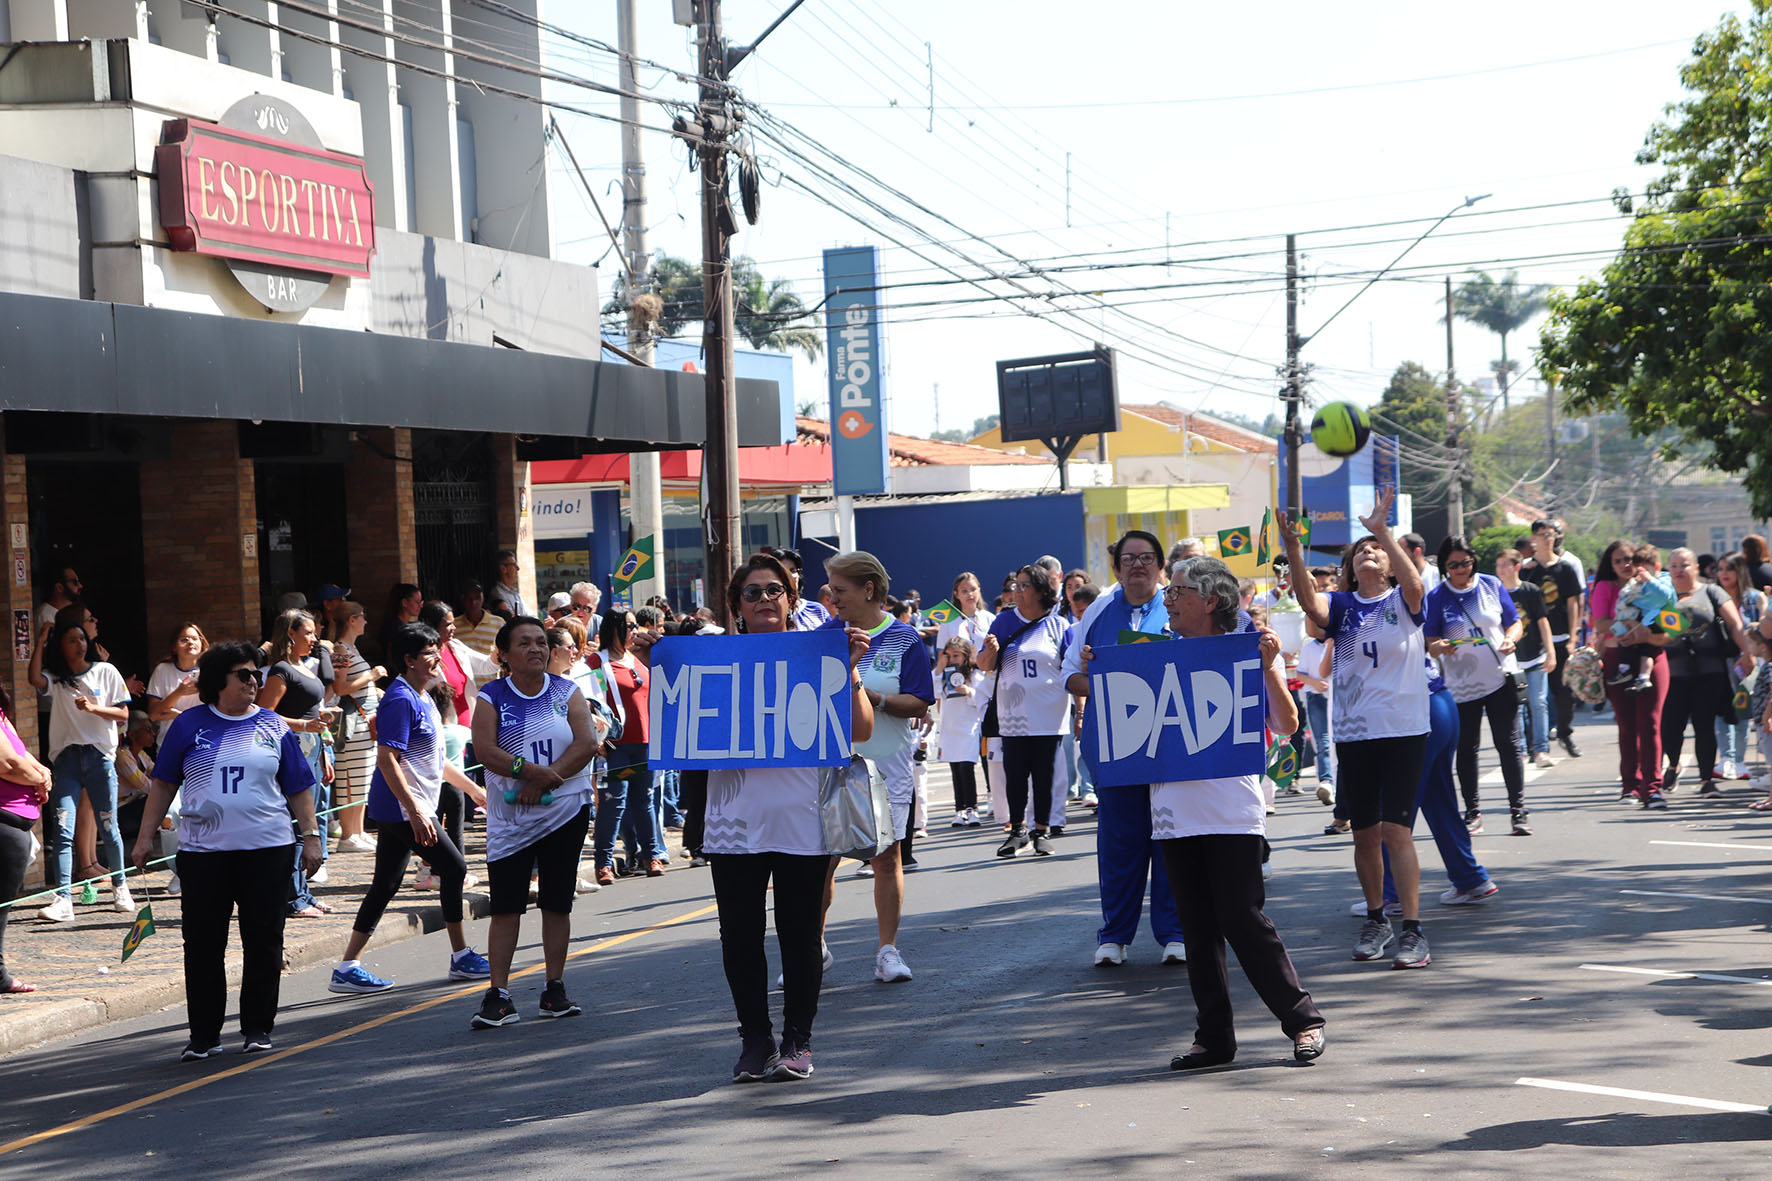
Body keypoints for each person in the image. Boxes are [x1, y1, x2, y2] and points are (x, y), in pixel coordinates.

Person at [1153, 556, 1325, 1069]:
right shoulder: (1156, 655)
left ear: (1209, 600)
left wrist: (1269, 666)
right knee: (1197, 927)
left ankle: (1303, 1019)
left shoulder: (1249, 649)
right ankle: (1214, 1038)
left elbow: (1288, 723)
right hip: (1173, 810)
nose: (1169, 601)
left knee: (1241, 917)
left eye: (1177, 591)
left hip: (1228, 809)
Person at [708, 554, 876, 1082]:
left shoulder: (819, 653)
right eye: (752, 592)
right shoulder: (710, 659)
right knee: (739, 936)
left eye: (774, 591)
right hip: (732, 819)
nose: (764, 600)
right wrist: (658, 663)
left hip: (804, 817)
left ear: (791, 599)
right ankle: (754, 1038)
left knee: (800, 936)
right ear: (736, 605)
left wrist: (846, 670)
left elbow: (862, 729)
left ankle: (797, 1040)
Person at [131, 641, 322, 1059]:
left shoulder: (273, 726)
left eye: (257, 673)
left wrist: (311, 836)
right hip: (203, 854)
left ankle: (258, 1028)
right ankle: (204, 1036)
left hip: (267, 851)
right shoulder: (188, 725)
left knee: (264, 941)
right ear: (220, 681)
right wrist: (145, 837)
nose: (255, 681)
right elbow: (164, 783)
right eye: (244, 674)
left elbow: (298, 787)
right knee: (202, 944)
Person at [1284, 488, 1433, 969]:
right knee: (1365, 834)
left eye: (1375, 552)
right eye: (1360, 551)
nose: (1367, 554)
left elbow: (1415, 585)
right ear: (1349, 569)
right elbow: (1310, 603)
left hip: (1405, 729)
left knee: (1397, 831)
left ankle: (1412, 928)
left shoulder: (1405, 600)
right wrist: (1293, 548)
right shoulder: (1343, 606)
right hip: (1354, 731)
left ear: (1389, 564)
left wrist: (1382, 532)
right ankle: (1377, 919)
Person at [328, 623, 493, 995]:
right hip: (404, 808)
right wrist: (417, 813)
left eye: (437, 649)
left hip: (409, 806)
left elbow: (436, 759)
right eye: (429, 652)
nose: (437, 658)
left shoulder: (424, 696)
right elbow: (387, 760)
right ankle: (461, 956)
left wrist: (473, 790)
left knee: (385, 885)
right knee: (454, 867)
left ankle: (347, 967)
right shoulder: (400, 699)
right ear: (409, 660)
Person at [467, 616, 598, 1028]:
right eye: (524, 643)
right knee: (506, 907)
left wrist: (548, 778)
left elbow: (588, 743)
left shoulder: (568, 691)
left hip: (564, 811)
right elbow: (485, 749)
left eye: (541, 642)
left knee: (557, 903)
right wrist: (530, 773)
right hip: (511, 817)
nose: (536, 649)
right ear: (503, 654)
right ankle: (498, 995)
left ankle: (553, 989)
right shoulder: (491, 696)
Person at [1063, 529, 1186, 968]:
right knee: (1120, 845)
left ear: (1160, 566)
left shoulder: (1178, 608)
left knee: (1171, 839)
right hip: (1114, 749)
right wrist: (1106, 681)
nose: (1138, 565)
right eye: (1129, 558)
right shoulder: (1097, 610)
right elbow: (1068, 676)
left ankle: (1174, 932)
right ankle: (1114, 935)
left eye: (1147, 557)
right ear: (1116, 566)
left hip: (1170, 747)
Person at [822, 550, 933, 983]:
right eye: (831, 590)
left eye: (841, 590)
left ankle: (888, 951)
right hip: (835, 765)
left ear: (869, 590)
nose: (834, 599)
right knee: (823, 860)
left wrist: (873, 697)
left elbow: (920, 700)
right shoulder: (826, 636)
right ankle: (815, 948)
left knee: (887, 859)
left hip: (888, 763)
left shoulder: (905, 639)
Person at [30, 617, 133, 923]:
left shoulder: (106, 671)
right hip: (67, 760)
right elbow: (34, 678)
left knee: (108, 827)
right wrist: (40, 640)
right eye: (72, 640)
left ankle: (120, 886)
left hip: (99, 756)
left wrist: (93, 708)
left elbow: (123, 713)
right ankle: (63, 897)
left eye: (82, 639)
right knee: (63, 827)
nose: (80, 644)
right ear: (61, 646)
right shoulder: (57, 679)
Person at [1425, 536, 1529, 837]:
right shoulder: (1436, 596)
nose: (1460, 569)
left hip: (1499, 677)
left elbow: (1514, 622)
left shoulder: (1491, 585)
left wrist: (1511, 638)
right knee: (1467, 750)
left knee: (1509, 745)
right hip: (1461, 685)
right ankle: (1473, 812)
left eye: (1466, 563)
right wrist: (1439, 646)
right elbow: (1430, 641)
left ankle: (1518, 811)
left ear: (1474, 562)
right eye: (1453, 564)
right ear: (1444, 566)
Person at [1637, 548, 1751, 796]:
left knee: (1704, 725)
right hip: (1673, 672)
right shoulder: (1664, 596)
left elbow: (1735, 624)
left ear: (1696, 567)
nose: (1679, 570)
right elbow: (1666, 633)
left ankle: (1706, 779)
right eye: (1674, 566)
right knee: (1671, 726)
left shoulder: (1711, 591)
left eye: (1684, 565)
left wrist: (1747, 653)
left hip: (1709, 672)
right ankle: (1673, 766)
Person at [978, 564, 1072, 857]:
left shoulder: (1060, 626)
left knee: (1044, 774)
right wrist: (989, 653)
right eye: (1016, 585)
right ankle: (1017, 831)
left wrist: (1079, 711)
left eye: (1024, 586)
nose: (1017, 591)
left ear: (1042, 591)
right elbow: (983, 665)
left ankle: (1041, 830)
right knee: (1015, 773)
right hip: (1013, 714)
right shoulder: (1003, 622)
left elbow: (1071, 668)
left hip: (1049, 713)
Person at [258, 610, 337, 912]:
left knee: (311, 820)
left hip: (314, 748)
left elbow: (313, 713)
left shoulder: (303, 667)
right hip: (292, 748)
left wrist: (323, 749)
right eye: (308, 633)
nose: (314, 639)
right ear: (291, 634)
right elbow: (266, 713)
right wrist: (304, 726)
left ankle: (304, 893)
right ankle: (292, 897)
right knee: (296, 823)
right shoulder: (281, 670)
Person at [1591, 542, 1668, 807]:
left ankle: (1653, 788)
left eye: (1629, 559)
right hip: (1618, 659)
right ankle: (1630, 786)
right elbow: (1599, 622)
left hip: (1653, 657)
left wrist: (1649, 633)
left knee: (1651, 724)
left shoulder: (1655, 585)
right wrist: (1627, 625)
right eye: (1618, 561)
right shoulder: (1605, 587)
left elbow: (1676, 625)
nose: (1625, 565)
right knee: (1627, 726)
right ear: (1609, 565)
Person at [590, 609, 663, 883]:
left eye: (634, 625)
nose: (635, 630)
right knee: (614, 802)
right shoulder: (597, 661)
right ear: (615, 629)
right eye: (629, 626)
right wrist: (598, 738)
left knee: (644, 801)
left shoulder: (637, 659)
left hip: (643, 744)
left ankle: (651, 856)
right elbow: (590, 700)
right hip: (616, 746)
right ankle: (603, 863)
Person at [0, 678, 52, 993]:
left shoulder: (2, 715)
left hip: (16, 822)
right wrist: (39, 779)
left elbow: (20, 751)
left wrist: (42, 773)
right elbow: (7, 763)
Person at [323, 602, 383, 854]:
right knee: (351, 779)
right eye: (362, 617)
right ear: (351, 620)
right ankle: (348, 834)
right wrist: (371, 676)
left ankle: (357, 831)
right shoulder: (340, 648)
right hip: (354, 723)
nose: (366, 622)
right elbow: (340, 688)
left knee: (361, 779)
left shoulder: (352, 648)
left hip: (365, 721)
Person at [1523, 520, 1585, 758]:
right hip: (1533, 641)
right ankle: (1533, 741)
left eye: (1551, 534)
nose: (1547, 539)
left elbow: (1573, 604)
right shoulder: (1528, 571)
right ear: (1534, 538)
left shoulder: (1565, 568)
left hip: (1561, 637)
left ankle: (1565, 733)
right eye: (1542, 534)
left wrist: (1573, 635)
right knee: (1533, 695)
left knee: (1564, 691)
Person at [1497, 549, 1556, 769]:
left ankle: (1541, 749)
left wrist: (1551, 652)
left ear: (1517, 566)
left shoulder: (1531, 591)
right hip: (1511, 659)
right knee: (1517, 706)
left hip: (1535, 655)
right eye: (1499, 565)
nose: (1501, 569)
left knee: (1539, 702)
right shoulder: (1496, 592)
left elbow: (1542, 622)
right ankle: (1520, 750)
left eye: (1505, 564)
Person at [1715, 552, 1765, 779]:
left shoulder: (1753, 598)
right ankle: (1726, 757)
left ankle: (1739, 760)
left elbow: (1762, 629)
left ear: (1740, 571)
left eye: (1729, 568)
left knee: (1743, 708)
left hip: (1748, 660)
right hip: (1718, 659)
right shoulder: (1713, 595)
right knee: (1721, 708)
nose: (1724, 574)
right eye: (1721, 569)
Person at [937, 637, 985, 827]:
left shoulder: (974, 676)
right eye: (948, 656)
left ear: (966, 656)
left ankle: (972, 808)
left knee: (966, 768)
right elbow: (933, 694)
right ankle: (959, 810)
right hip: (950, 728)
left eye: (956, 655)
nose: (952, 659)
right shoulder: (942, 676)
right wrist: (939, 669)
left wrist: (969, 692)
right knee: (955, 770)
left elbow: (981, 699)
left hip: (968, 728)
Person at [146, 622, 208, 745]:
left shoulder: (210, 671)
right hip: (170, 743)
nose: (190, 642)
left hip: (202, 743)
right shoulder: (162, 670)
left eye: (195, 639)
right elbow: (153, 715)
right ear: (174, 647)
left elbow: (217, 712)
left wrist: (180, 716)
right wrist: (179, 692)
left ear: (202, 644)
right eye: (184, 639)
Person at [455, 580, 503, 656]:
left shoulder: (498, 623)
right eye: (469, 598)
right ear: (463, 600)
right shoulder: (454, 626)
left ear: (483, 598)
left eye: (477, 598)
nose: (473, 602)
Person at [378, 583, 423, 662]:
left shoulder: (408, 625)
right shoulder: (396, 628)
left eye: (421, 602)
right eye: (417, 602)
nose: (421, 606)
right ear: (404, 603)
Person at [491, 550, 528, 621]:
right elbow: (512, 621)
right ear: (503, 569)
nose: (518, 568)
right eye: (514, 564)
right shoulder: (497, 595)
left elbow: (527, 613)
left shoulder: (514, 592)